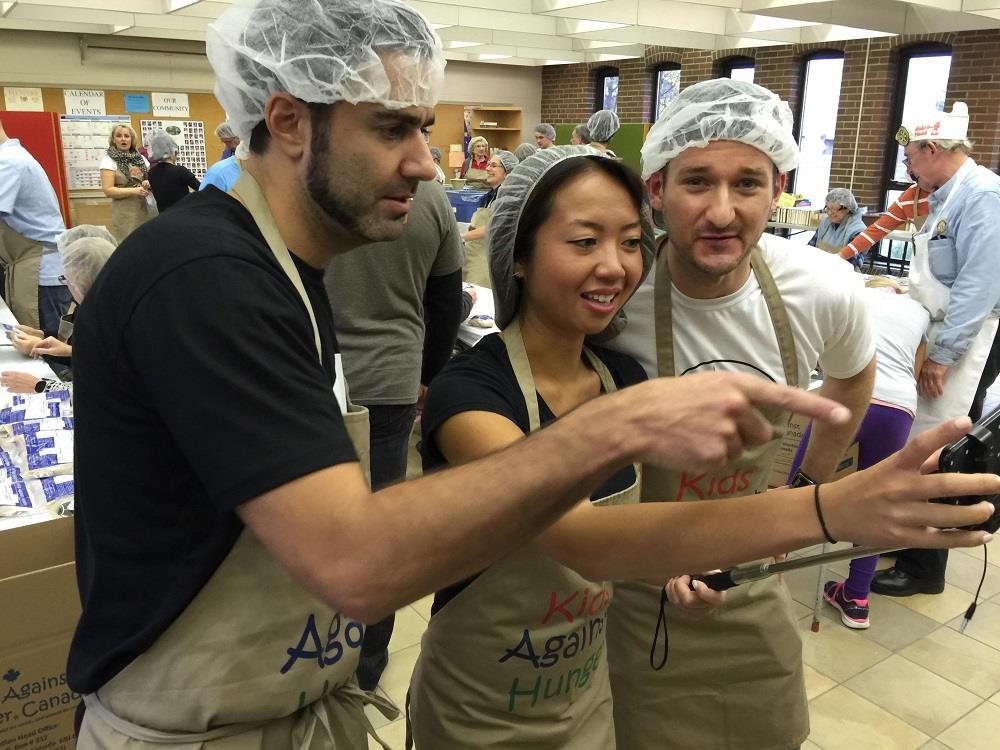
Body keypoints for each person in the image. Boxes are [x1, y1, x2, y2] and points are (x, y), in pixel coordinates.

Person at [66, 2, 998, 748]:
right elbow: (359, 559)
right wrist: (631, 433)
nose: (427, 163)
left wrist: (821, 501)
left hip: (301, 705)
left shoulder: (291, 278)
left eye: (629, 244)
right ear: (287, 121)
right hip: (198, 725)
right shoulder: (208, 279)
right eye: (393, 128)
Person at [410, 147, 996, 749]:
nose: (615, 266)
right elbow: (578, 537)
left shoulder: (622, 378)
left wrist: (675, 572)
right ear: (521, 257)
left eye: (632, 242)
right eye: (584, 242)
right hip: (479, 709)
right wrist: (826, 508)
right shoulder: (471, 397)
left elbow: (639, 524)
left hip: (587, 696)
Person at [604, 78, 878, 750]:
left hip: (757, 575)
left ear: (778, 187)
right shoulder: (614, 294)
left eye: (748, 184)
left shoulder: (822, 288)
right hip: (633, 586)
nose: (723, 211)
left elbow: (851, 377)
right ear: (656, 191)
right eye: (697, 181)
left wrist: (804, 491)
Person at [325, 178, 464, 691]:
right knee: (379, 532)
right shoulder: (430, 199)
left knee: (314, 526)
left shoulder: (320, 183)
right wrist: (427, 375)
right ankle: (367, 664)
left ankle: (318, 660)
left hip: (319, 377)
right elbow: (446, 301)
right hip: (393, 378)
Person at [873, 101, 1000, 598]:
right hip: (944, 334)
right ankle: (908, 541)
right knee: (921, 439)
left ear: (931, 149)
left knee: (940, 446)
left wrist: (943, 355)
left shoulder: (983, 195)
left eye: (910, 157)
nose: (906, 167)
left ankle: (925, 567)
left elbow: (978, 285)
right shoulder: (948, 195)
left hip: (968, 342)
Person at [790, 277, 930, 628]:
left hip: (850, 394)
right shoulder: (920, 312)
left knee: (799, 488)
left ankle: (760, 571)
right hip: (898, 406)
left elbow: (826, 354)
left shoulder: (854, 295)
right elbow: (915, 369)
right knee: (877, 504)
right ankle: (856, 598)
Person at [1, 230, 116, 395]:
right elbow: (87, 353)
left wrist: (40, 386)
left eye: (66, 278)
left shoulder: (109, 322)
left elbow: (101, 391)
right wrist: (42, 336)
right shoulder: (100, 305)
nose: (66, 285)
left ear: (79, 281)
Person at [0, 119, 71, 335]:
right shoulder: (13, 158)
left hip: (41, 274)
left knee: (46, 352)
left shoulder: (8, 163)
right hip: (37, 268)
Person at [838, 177, 931, 263]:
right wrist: (839, 257)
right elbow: (876, 231)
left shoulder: (945, 198)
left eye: (911, 162)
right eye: (907, 163)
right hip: (928, 264)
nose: (908, 170)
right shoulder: (909, 198)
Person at [460, 150, 517, 288]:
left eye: (493, 165)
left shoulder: (507, 198)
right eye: (488, 164)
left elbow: (495, 226)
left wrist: (462, 236)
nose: (487, 168)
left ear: (507, 172)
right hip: (473, 255)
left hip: (486, 259)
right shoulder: (491, 196)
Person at [99, 123, 156, 242]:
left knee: (149, 242)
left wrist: (147, 183)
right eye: (119, 136)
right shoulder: (108, 160)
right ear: (114, 140)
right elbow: (108, 190)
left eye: (127, 136)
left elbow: (151, 180)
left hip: (146, 209)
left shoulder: (141, 159)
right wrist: (134, 190)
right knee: (128, 244)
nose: (123, 139)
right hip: (125, 212)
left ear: (132, 139)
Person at [809, 187, 868, 267]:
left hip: (843, 274)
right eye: (828, 208)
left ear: (847, 209)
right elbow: (811, 247)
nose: (829, 213)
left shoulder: (858, 230)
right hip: (819, 269)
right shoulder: (825, 223)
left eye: (833, 210)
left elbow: (852, 262)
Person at [146, 130, 201, 212]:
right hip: (183, 214)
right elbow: (201, 188)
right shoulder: (180, 171)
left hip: (164, 216)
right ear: (173, 151)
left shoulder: (151, 172)